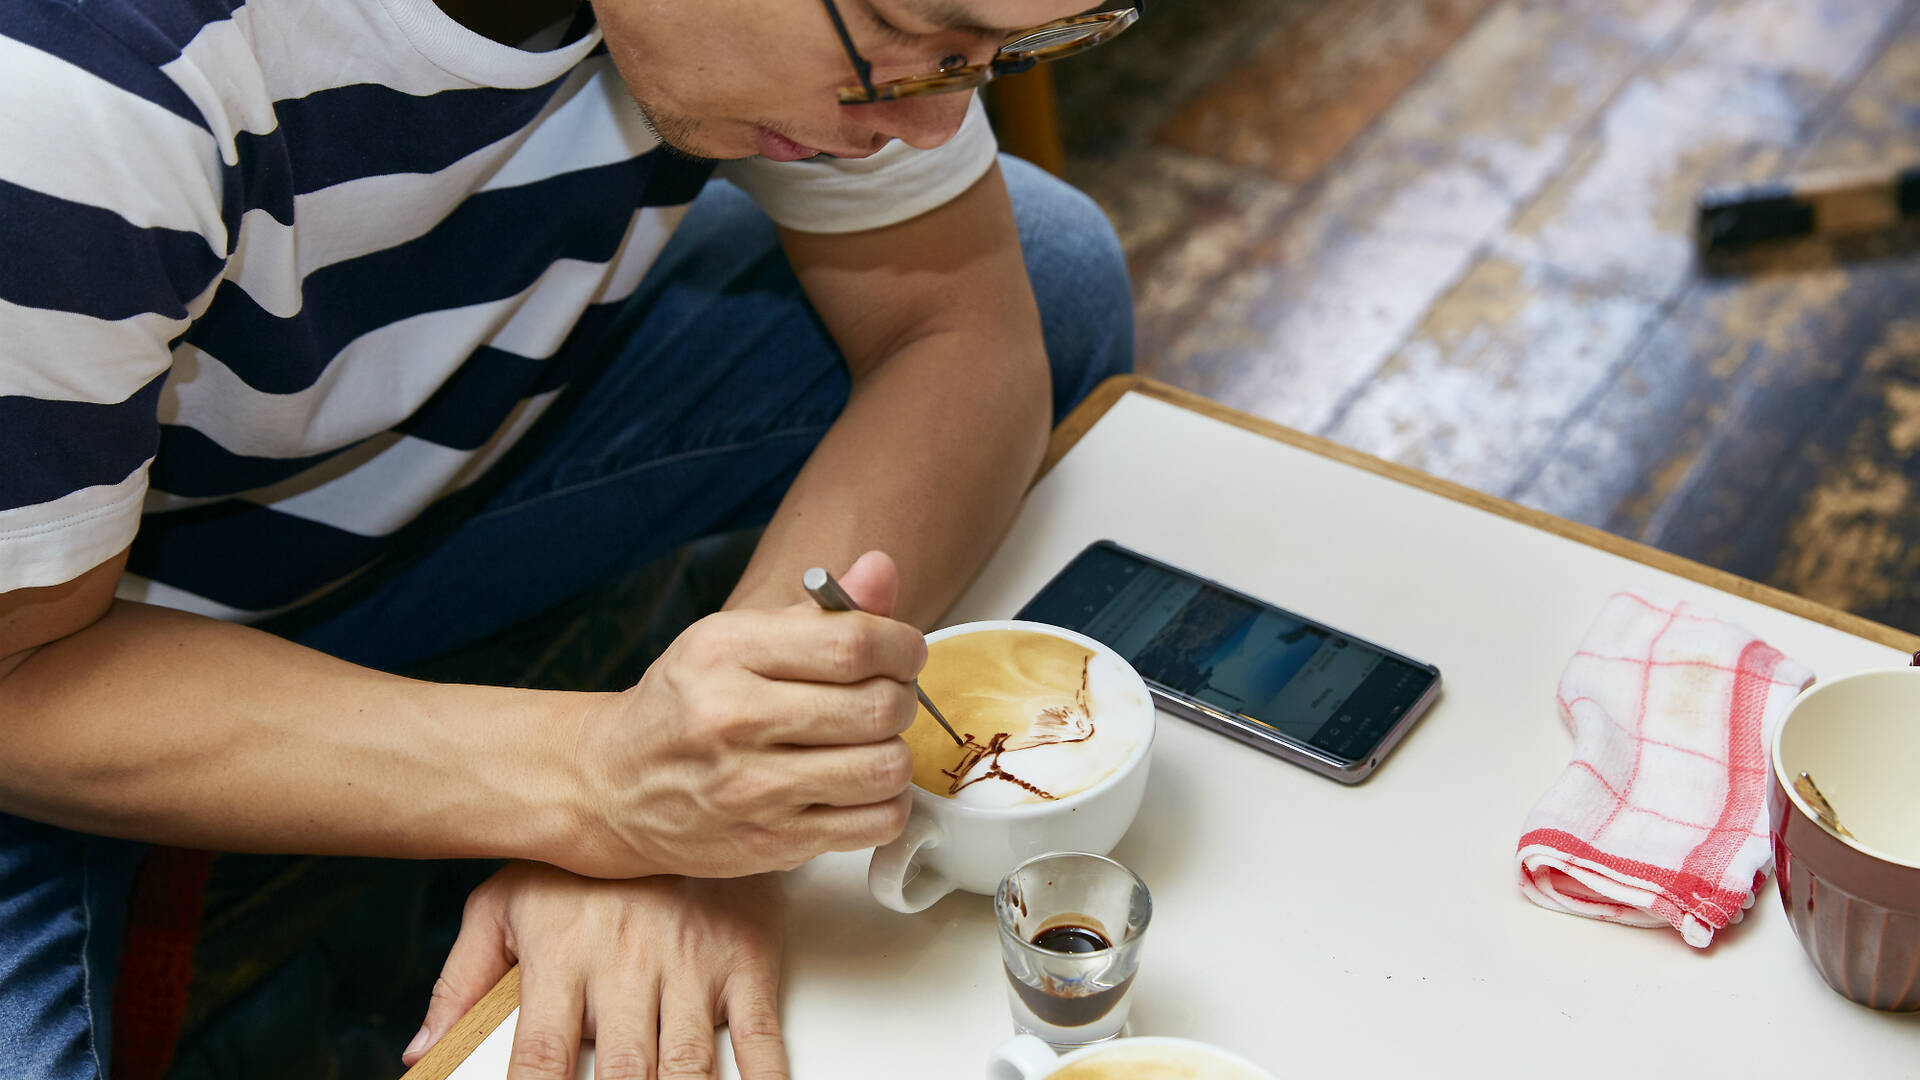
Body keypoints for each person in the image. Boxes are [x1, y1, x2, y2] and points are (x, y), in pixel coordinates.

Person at [0, 0, 1136, 1075]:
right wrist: (602, 787)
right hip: (71, 646)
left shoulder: (841, 52)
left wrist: (742, 751)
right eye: (904, 29)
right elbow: (21, 681)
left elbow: (958, 328)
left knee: (1049, 267)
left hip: (362, 498)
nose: (935, 117)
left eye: (1008, 47)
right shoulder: (81, 86)